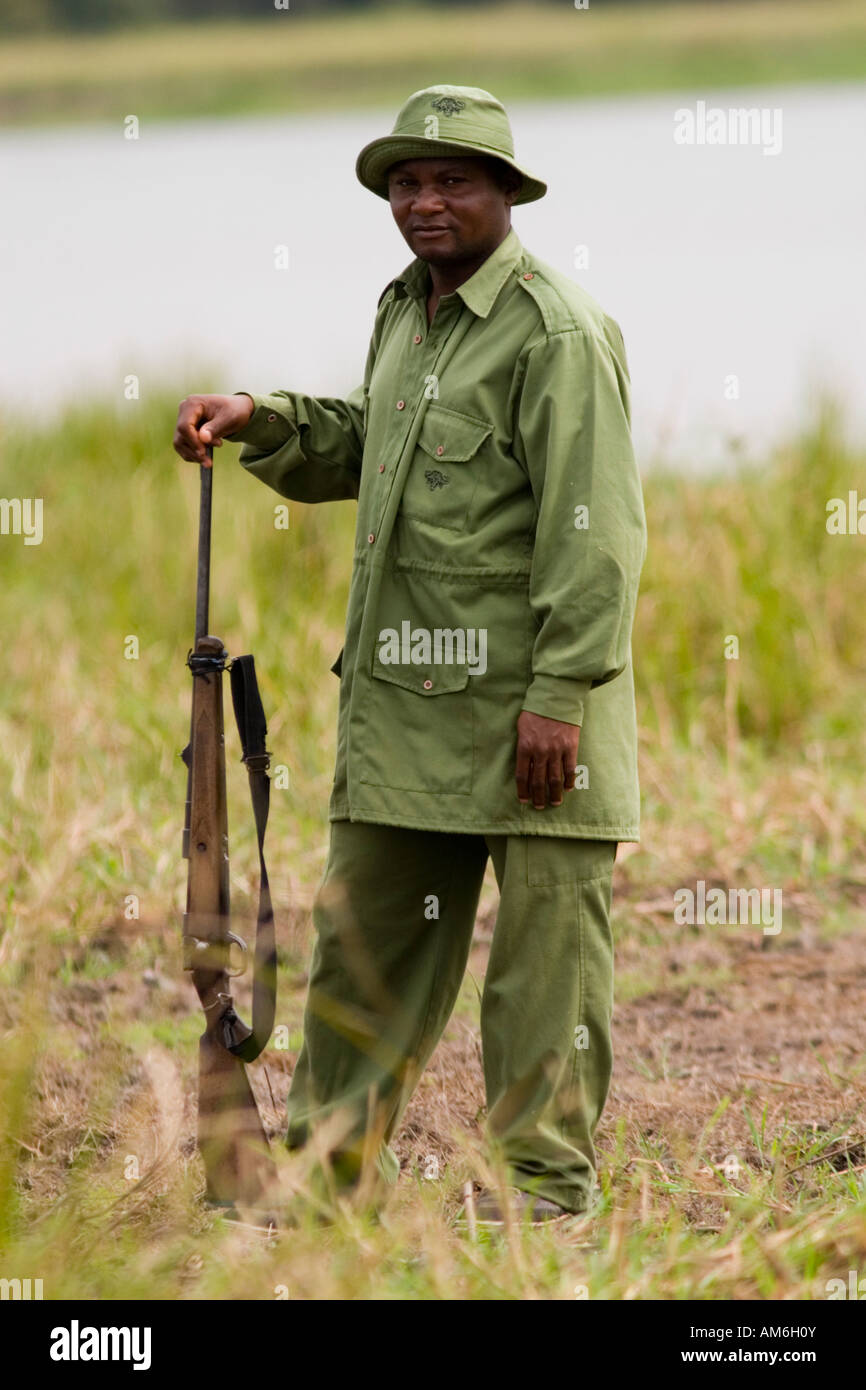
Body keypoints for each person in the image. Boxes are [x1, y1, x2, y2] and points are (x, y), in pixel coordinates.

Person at [174, 84, 646, 1223]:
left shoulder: (558, 331)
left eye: (451, 181)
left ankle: (540, 1190)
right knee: (364, 951)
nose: (423, 202)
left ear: (504, 194)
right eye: (405, 183)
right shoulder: (404, 311)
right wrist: (260, 415)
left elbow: (597, 532)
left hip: (534, 714)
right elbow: (370, 439)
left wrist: (559, 696)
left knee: (543, 972)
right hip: (404, 708)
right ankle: (325, 1178)